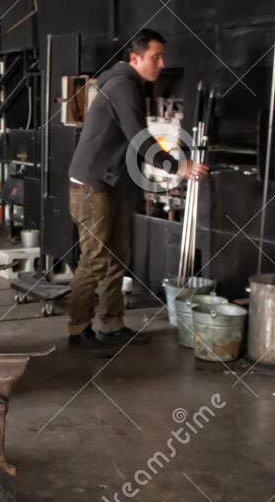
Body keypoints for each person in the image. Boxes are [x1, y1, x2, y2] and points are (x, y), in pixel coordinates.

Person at [66, 29, 205, 355]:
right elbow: (140, 138)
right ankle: (78, 331)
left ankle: (112, 324)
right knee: (95, 259)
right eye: (155, 57)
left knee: (118, 255)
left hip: (112, 183)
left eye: (162, 57)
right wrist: (180, 168)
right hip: (92, 185)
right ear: (135, 58)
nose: (161, 63)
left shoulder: (130, 84)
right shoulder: (122, 85)